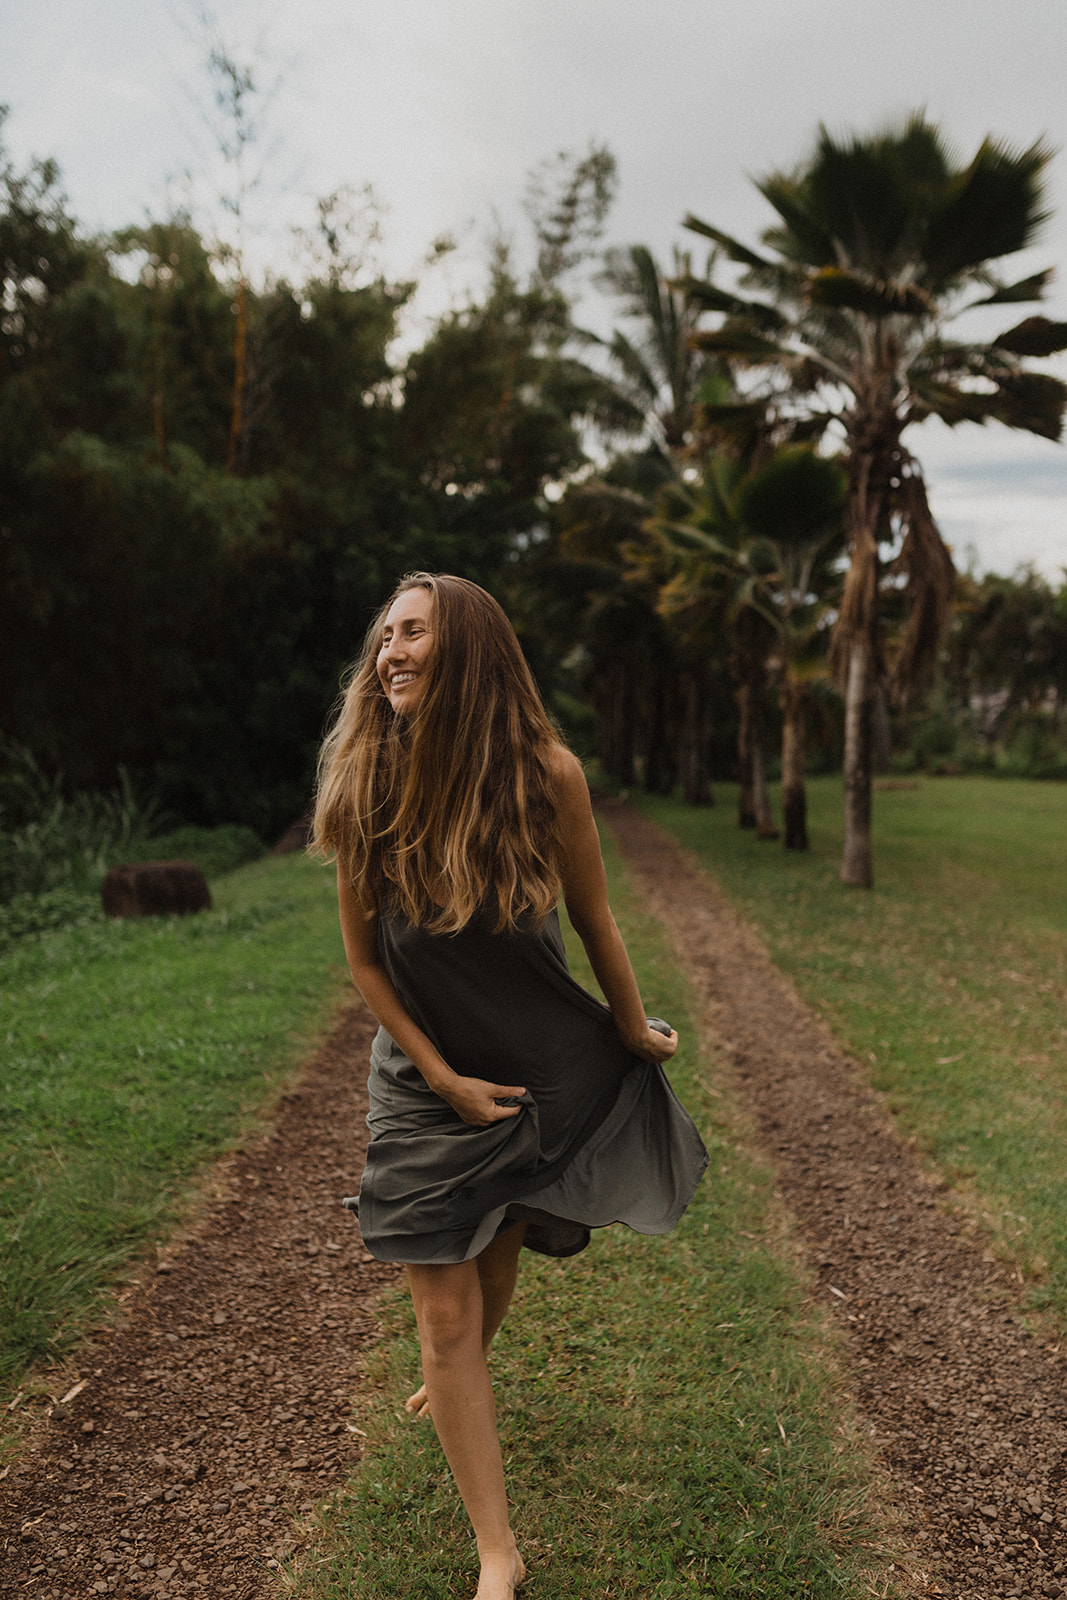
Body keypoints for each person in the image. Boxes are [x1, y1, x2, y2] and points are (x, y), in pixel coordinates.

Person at [311, 572, 707, 1600]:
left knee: (493, 1250)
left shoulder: (546, 778)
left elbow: (593, 915)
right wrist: (440, 1076)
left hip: (533, 1061)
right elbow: (365, 964)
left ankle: (457, 1375)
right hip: (422, 1074)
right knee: (444, 1312)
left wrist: (629, 1028)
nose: (391, 652)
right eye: (384, 636)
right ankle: (499, 1550)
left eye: (413, 633)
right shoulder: (365, 780)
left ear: (470, 649)